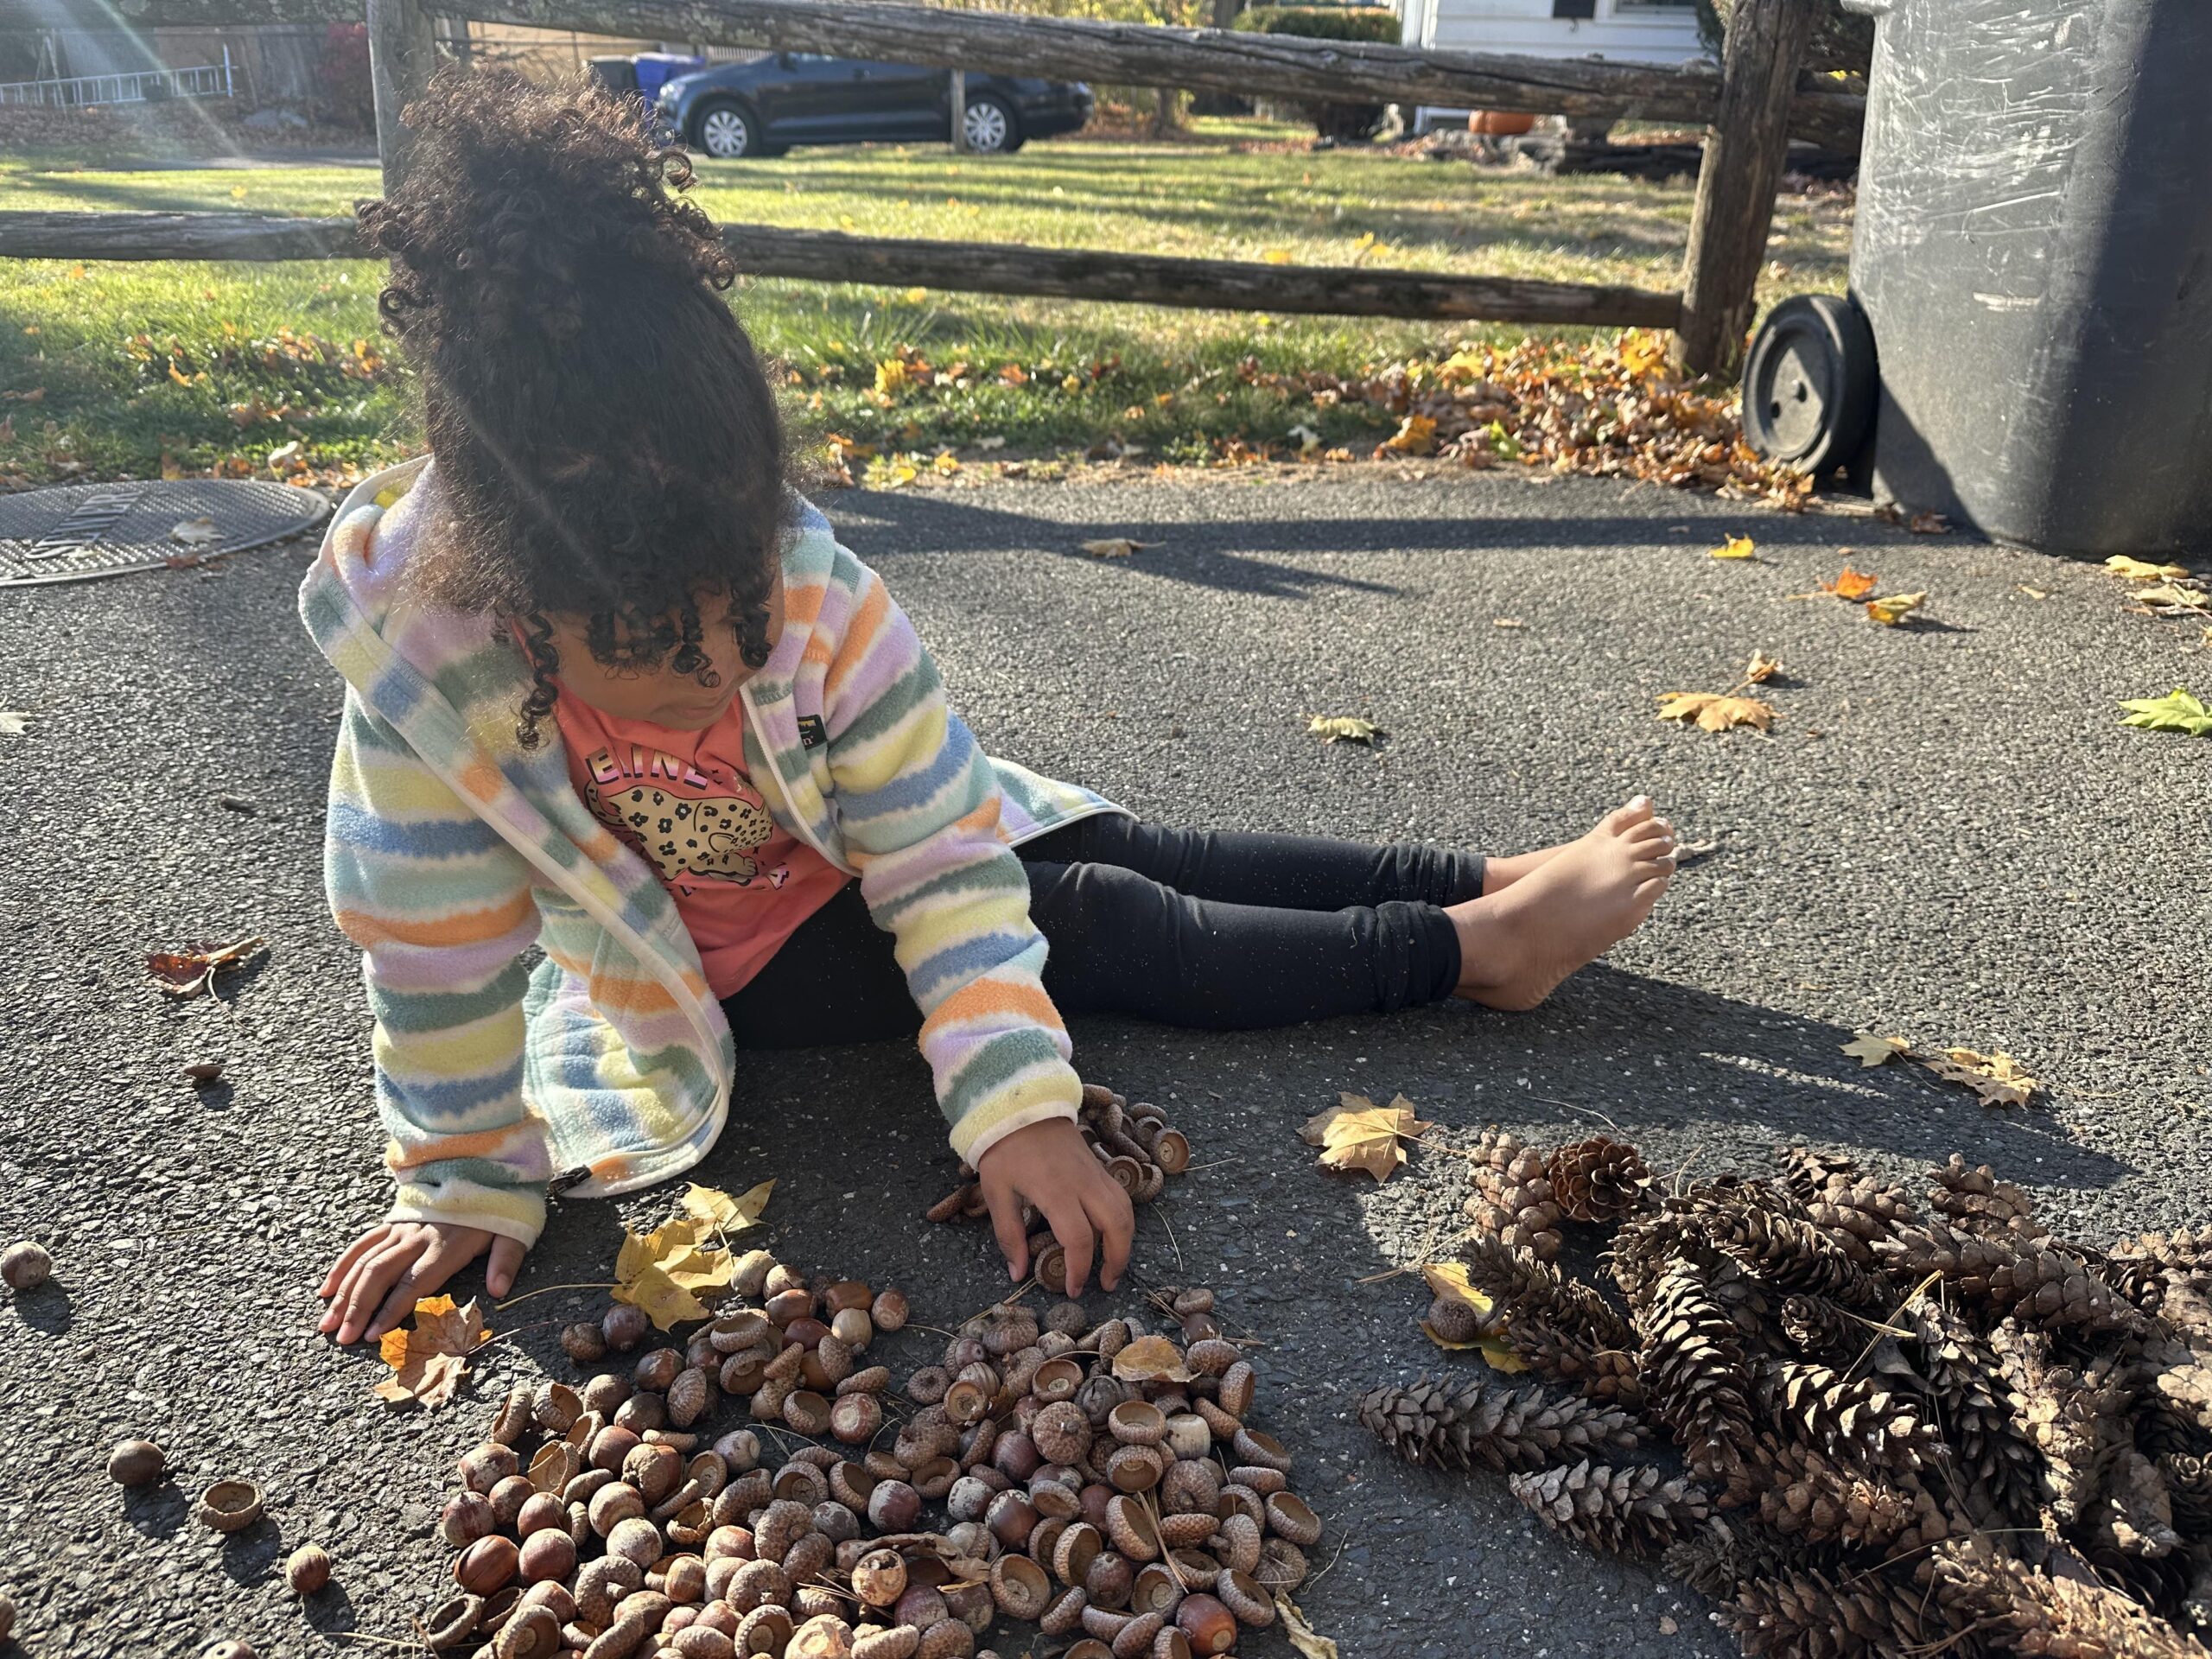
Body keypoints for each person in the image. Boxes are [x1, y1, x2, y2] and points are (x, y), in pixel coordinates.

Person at [305, 72, 1677, 1346]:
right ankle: (1474, 946)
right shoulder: (430, 671)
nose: (725, 665)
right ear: (520, 610)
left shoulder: (814, 589)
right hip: (733, 958)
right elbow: (431, 946)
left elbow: (943, 857)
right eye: (666, 657)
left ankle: (1487, 875)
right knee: (1101, 922)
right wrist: (466, 1181)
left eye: (745, 607)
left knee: (1139, 844)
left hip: (865, 839)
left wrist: (1005, 1097)